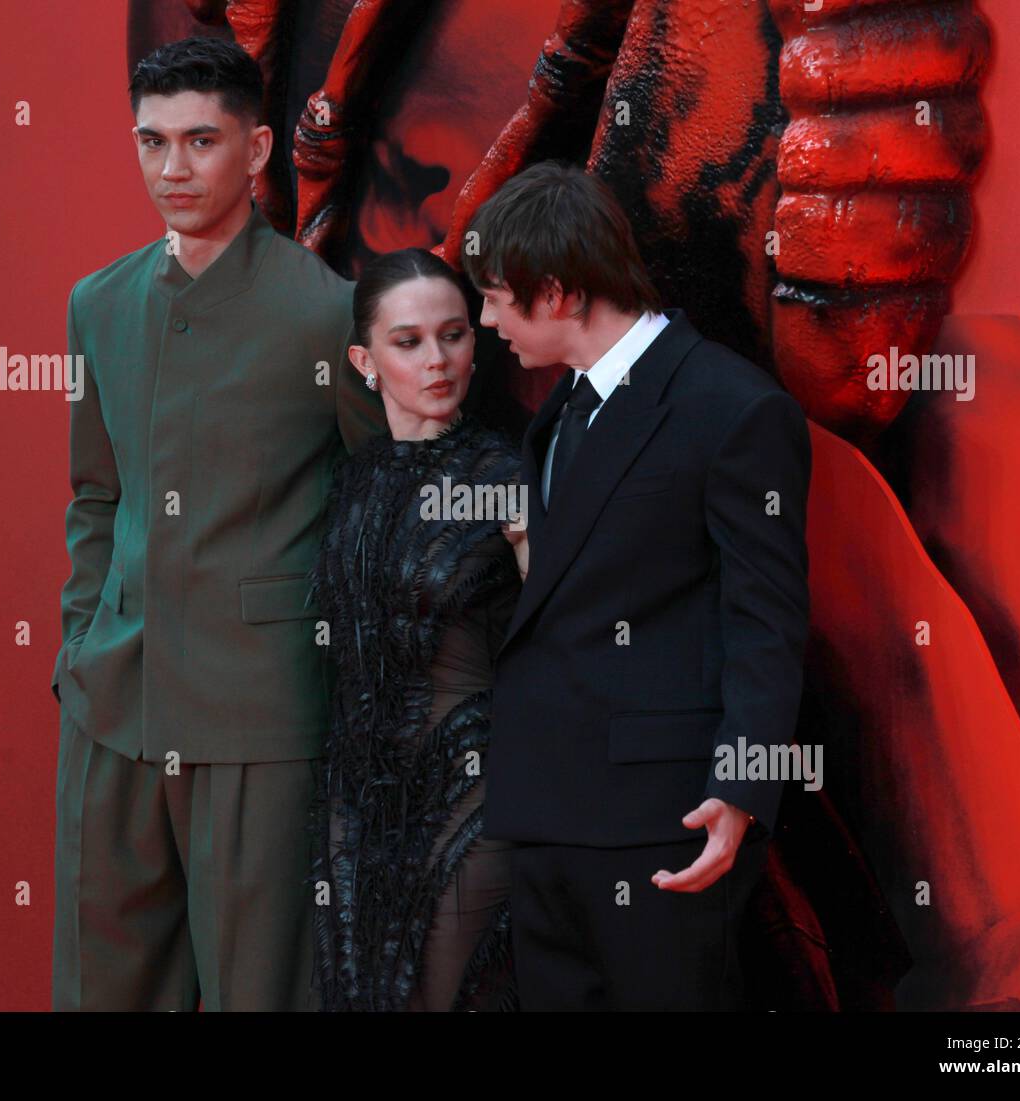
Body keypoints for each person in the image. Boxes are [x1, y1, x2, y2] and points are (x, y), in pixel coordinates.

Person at [50, 37, 385, 1011]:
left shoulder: (329, 314)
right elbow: (94, 497)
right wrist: (77, 650)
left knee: (261, 994)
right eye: (151, 142)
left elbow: (383, 510)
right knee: (100, 992)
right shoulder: (96, 305)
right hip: (112, 706)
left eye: (201, 141)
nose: (173, 169)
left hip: (264, 716)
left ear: (258, 148)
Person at [463, 160, 812, 1011]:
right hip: (546, 817)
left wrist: (740, 788)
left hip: (663, 819)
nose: (485, 318)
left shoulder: (732, 408)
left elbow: (767, 619)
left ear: (557, 293)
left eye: (498, 296)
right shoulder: (560, 413)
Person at [307, 248, 527, 1011]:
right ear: (366, 360)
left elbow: (570, 642)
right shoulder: (355, 477)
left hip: (470, 807)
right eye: (408, 342)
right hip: (353, 813)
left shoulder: (508, 477)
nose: (437, 360)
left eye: (455, 334)